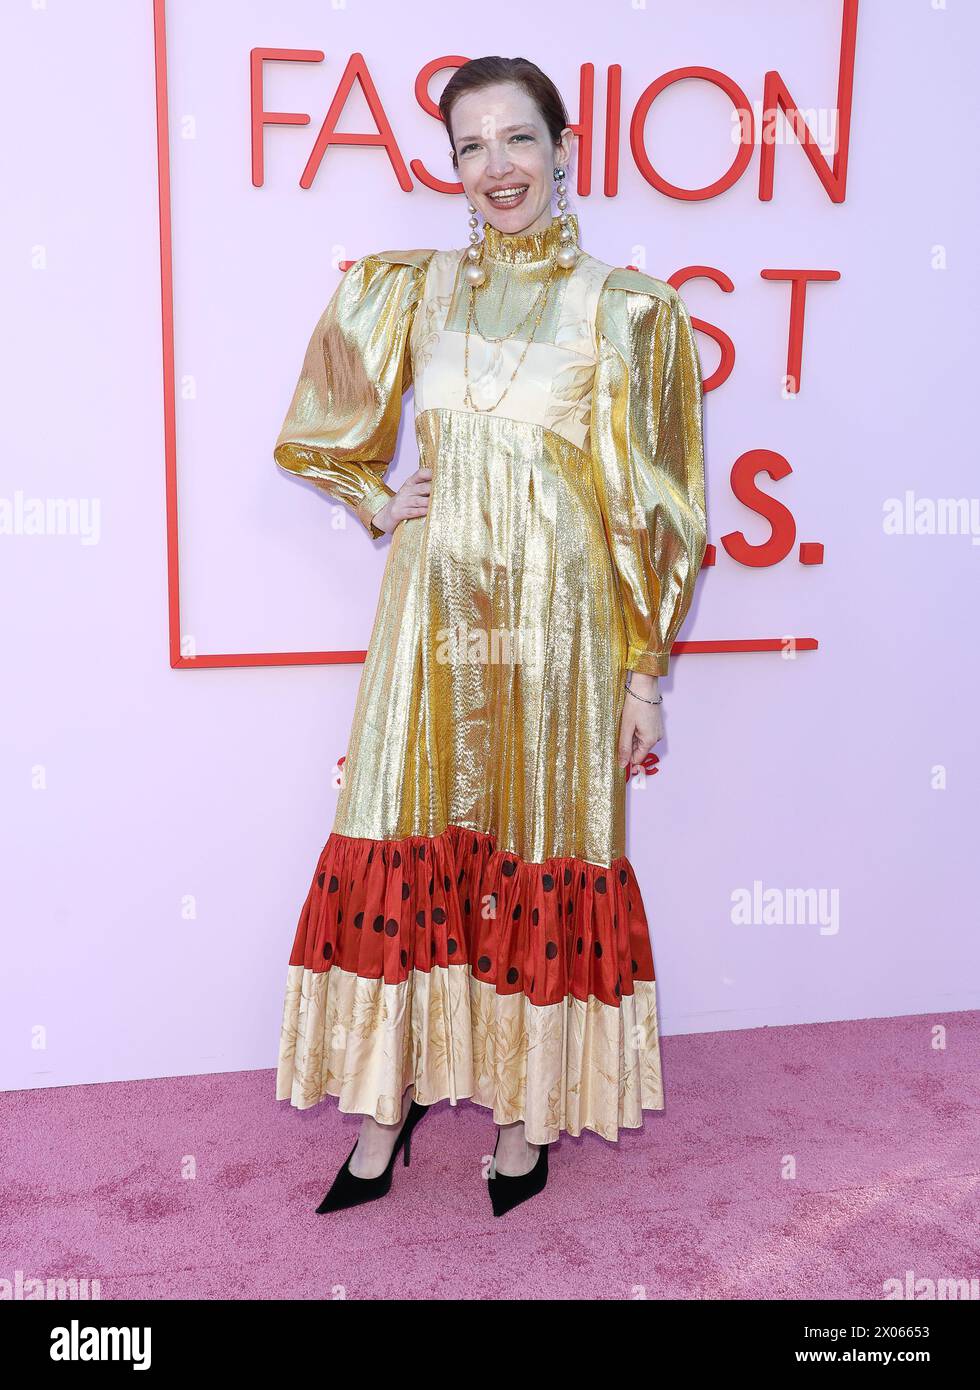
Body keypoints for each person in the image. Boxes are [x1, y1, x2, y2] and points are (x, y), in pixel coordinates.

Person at [273, 55, 707, 1217]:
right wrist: (373, 499)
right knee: (405, 825)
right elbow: (323, 427)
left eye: (517, 140)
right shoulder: (408, 289)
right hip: (429, 615)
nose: (496, 168)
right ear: (450, 166)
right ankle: (386, 1101)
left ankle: (522, 1117)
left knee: (536, 838)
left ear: (564, 149)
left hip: (558, 633)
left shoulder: (629, 309)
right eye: (471, 147)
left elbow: (652, 508)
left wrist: (644, 672)